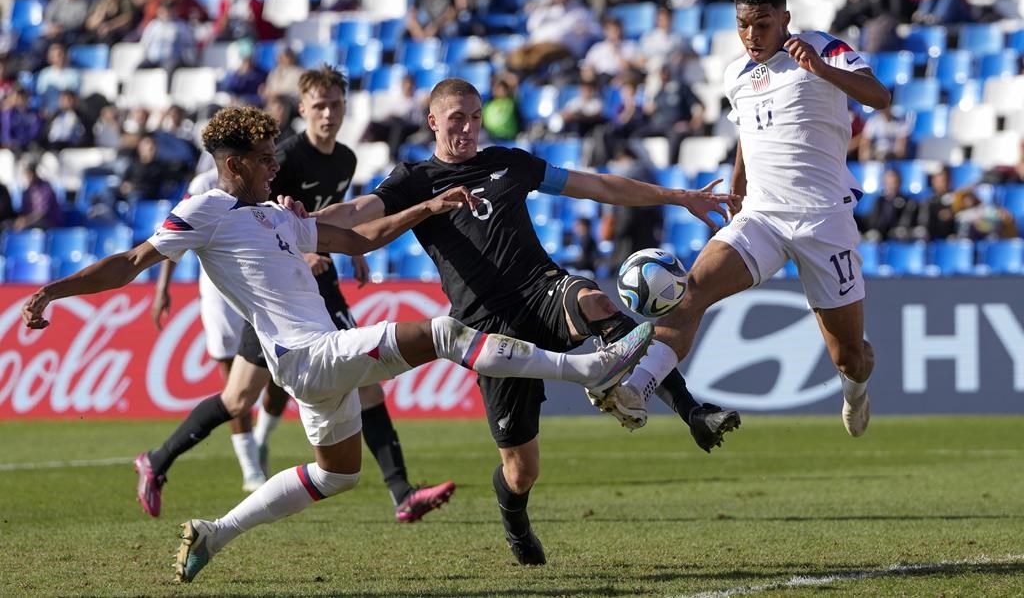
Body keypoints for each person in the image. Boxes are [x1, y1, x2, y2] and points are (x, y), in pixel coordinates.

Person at [21, 105, 656, 584]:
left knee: (338, 474)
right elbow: (129, 262)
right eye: (265, 157)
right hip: (306, 356)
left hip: (317, 361)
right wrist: (54, 290)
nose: (276, 164)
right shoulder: (204, 210)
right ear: (234, 164)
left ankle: (216, 533)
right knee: (441, 332)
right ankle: (588, 369)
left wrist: (428, 208)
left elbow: (359, 239)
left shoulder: (275, 215)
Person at [311, 77, 742, 566]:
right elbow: (357, 212)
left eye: (475, 118)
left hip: (543, 290)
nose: (468, 128)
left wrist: (678, 196)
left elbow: (596, 185)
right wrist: (301, 226)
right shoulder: (414, 180)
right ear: (432, 122)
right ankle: (516, 524)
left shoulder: (509, 162)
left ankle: (693, 413)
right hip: (485, 327)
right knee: (521, 471)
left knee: (597, 303)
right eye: (457, 119)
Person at [134, 67, 456, 526]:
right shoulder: (282, 157)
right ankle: (158, 459)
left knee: (362, 385)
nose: (328, 114)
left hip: (318, 287)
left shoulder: (344, 159)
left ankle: (402, 491)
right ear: (303, 109)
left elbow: (332, 220)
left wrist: (353, 254)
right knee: (237, 399)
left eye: (335, 105)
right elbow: (264, 221)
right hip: (277, 293)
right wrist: (304, 253)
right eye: (319, 106)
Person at [597, 0, 891, 441]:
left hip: (823, 220)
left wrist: (820, 68)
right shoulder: (736, 74)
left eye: (763, 24)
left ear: (785, 19)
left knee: (849, 357)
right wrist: (736, 190)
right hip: (761, 217)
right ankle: (637, 388)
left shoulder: (823, 48)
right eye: (743, 25)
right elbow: (747, 133)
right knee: (690, 291)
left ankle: (855, 391)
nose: (752, 35)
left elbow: (880, 97)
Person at [152, 167, 264, 491]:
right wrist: (162, 287)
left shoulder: (266, 173)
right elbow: (174, 234)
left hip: (262, 285)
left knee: (277, 374)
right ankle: (251, 468)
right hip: (219, 290)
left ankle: (262, 439)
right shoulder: (204, 183)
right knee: (233, 381)